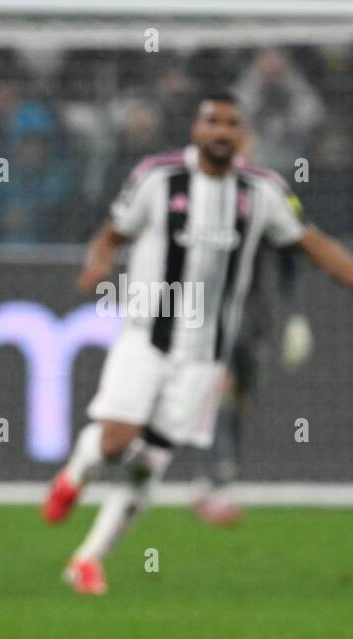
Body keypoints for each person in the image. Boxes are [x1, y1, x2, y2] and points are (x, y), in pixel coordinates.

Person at [44, 91, 353, 594]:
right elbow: (113, 231)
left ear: (244, 136)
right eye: (213, 121)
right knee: (118, 440)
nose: (222, 131)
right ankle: (75, 475)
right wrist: (97, 263)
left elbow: (312, 243)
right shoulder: (157, 177)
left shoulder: (265, 192)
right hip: (148, 337)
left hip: (205, 357)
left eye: (233, 123)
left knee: (152, 462)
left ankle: (88, 558)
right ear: (196, 129)